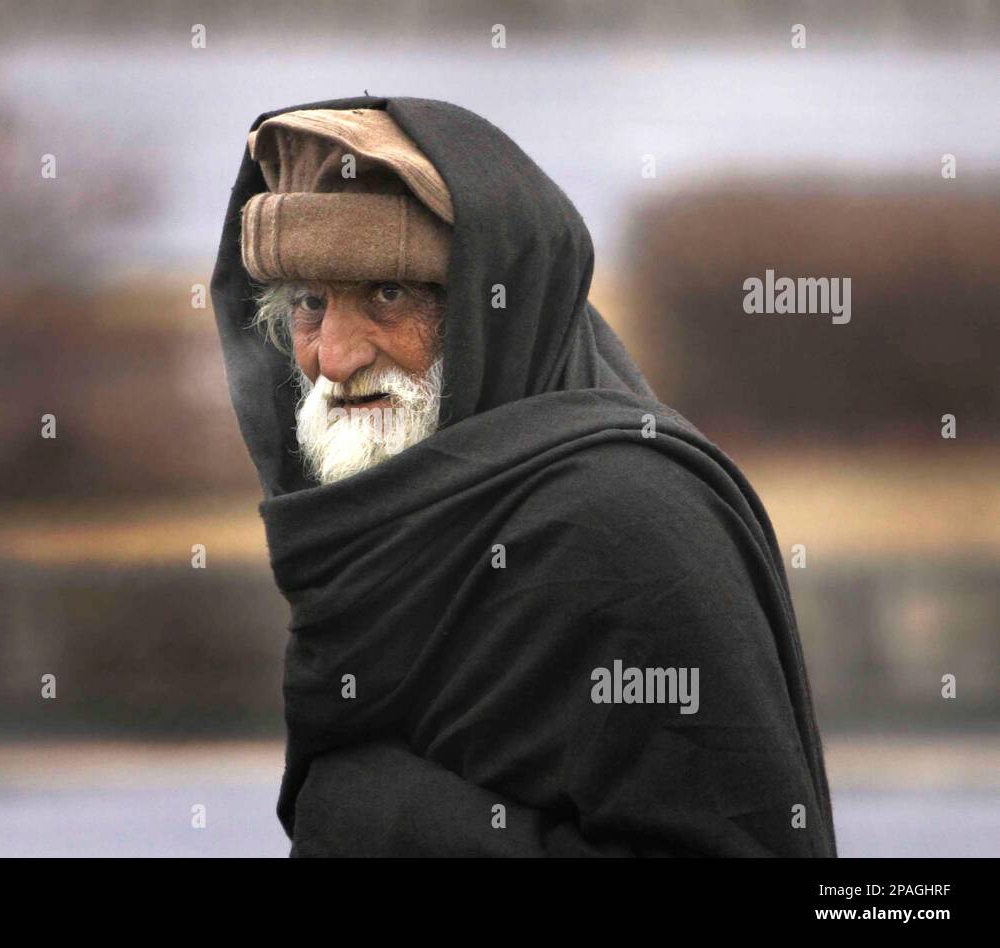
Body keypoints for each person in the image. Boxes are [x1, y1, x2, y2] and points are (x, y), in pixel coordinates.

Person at [210, 96, 837, 857]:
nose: (334, 358)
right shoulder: (370, 525)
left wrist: (373, 817)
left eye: (388, 294)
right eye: (310, 303)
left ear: (493, 310)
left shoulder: (624, 523)